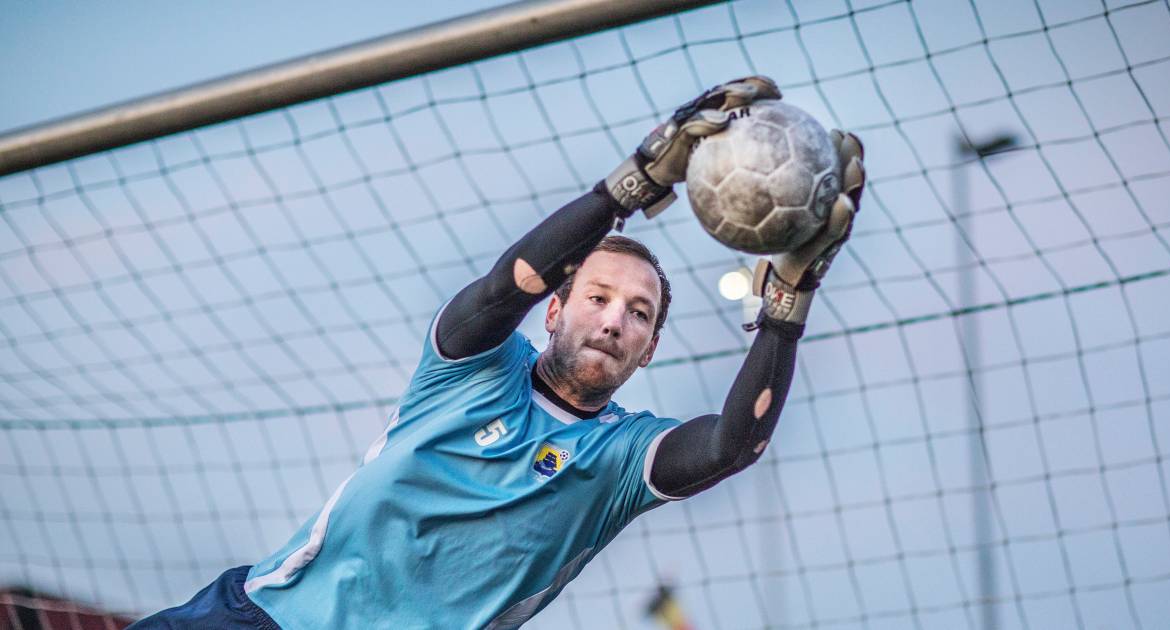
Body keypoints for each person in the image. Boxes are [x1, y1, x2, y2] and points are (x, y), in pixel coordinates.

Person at [129, 76, 865, 630]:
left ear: (649, 350)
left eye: (638, 313)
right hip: (259, 619)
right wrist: (630, 185)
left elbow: (734, 444)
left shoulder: (618, 460)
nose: (614, 320)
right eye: (598, 297)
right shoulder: (474, 365)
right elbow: (499, 287)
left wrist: (785, 308)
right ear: (553, 310)